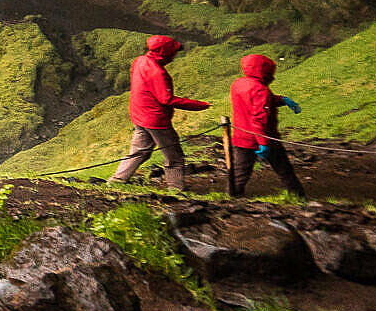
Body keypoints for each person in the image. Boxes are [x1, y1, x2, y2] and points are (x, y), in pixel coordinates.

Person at [109, 35, 210, 190]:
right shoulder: (157, 72)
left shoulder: (140, 61)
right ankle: (176, 189)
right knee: (174, 157)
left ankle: (117, 181)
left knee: (139, 152)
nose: (175, 55)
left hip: (139, 115)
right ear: (165, 52)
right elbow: (166, 99)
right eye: (173, 51)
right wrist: (199, 105)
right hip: (156, 120)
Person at [228, 53, 305, 198]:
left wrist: (282, 100)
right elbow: (258, 119)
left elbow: (251, 103)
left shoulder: (238, 83)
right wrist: (263, 143)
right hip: (265, 138)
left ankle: (232, 198)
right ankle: (298, 197)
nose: (273, 76)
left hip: (241, 137)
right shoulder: (260, 90)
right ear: (264, 71)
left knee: (240, 172)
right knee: (284, 170)